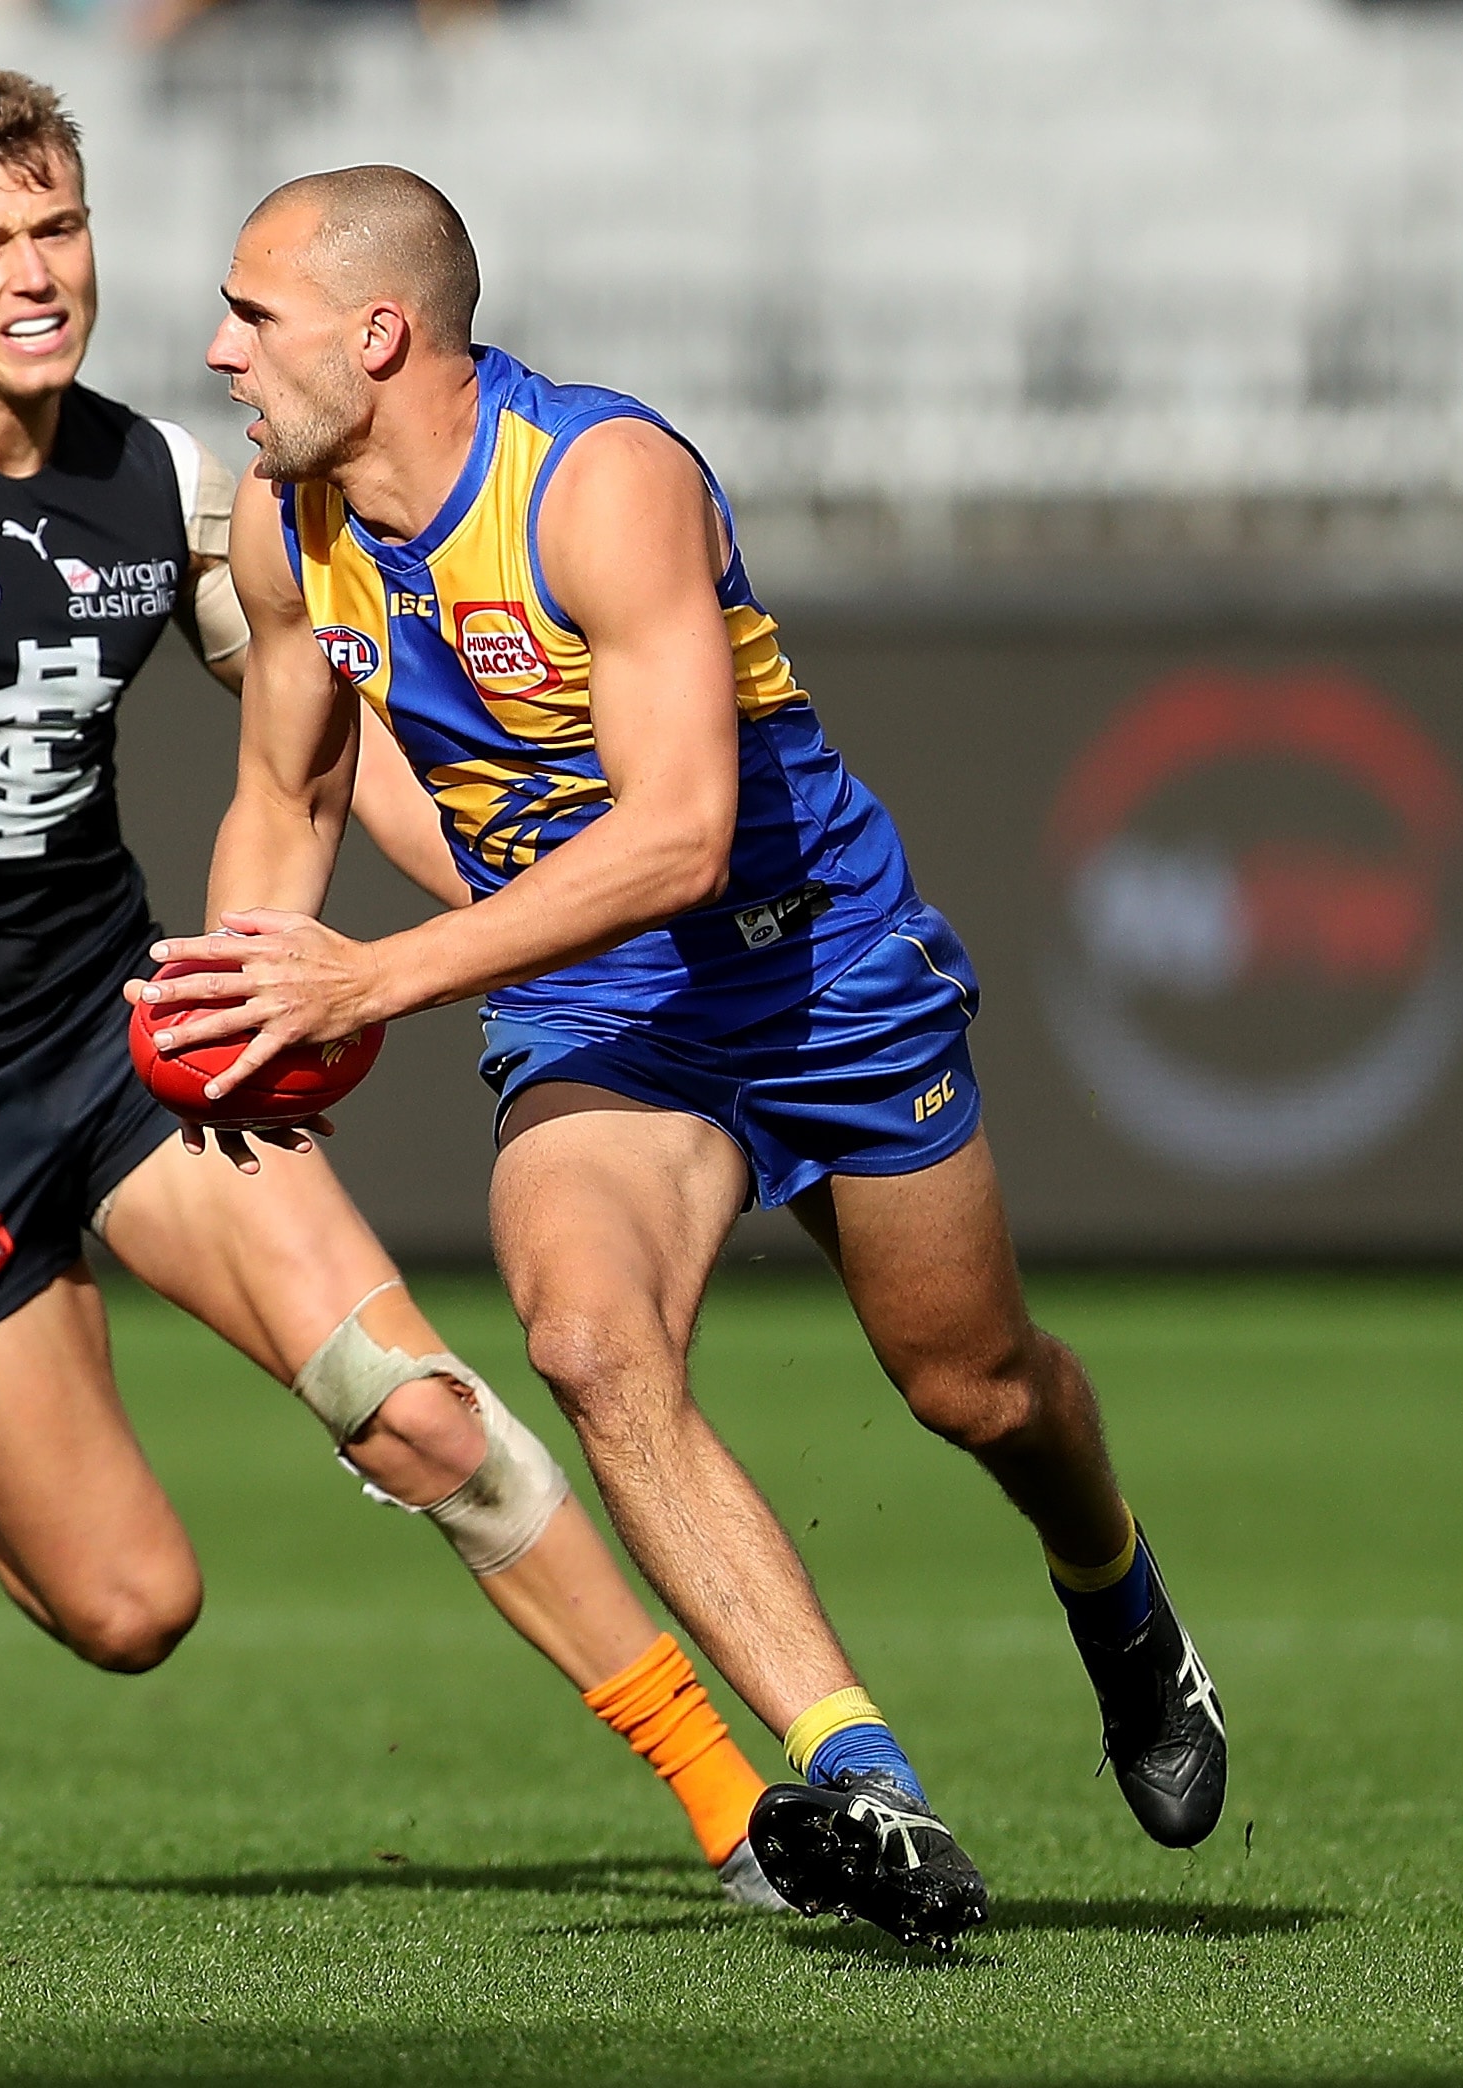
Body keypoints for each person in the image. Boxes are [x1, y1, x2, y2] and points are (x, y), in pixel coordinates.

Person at [0, 69, 791, 1905]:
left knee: (420, 1408)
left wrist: (503, 895)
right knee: (135, 1610)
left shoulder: (164, 482)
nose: (33, 272)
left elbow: (311, 714)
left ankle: (735, 1807)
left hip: (116, 1037)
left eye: (56, 226)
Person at [151, 164, 1229, 1948]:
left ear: (377, 330)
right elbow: (290, 794)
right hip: (599, 1005)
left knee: (975, 1388)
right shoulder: (286, 530)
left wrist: (380, 979)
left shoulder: (601, 480)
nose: (215, 352)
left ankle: (1113, 1588)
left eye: (250, 316)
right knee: (585, 1341)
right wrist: (243, 1029)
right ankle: (864, 1777)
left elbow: (678, 839)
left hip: (812, 965)